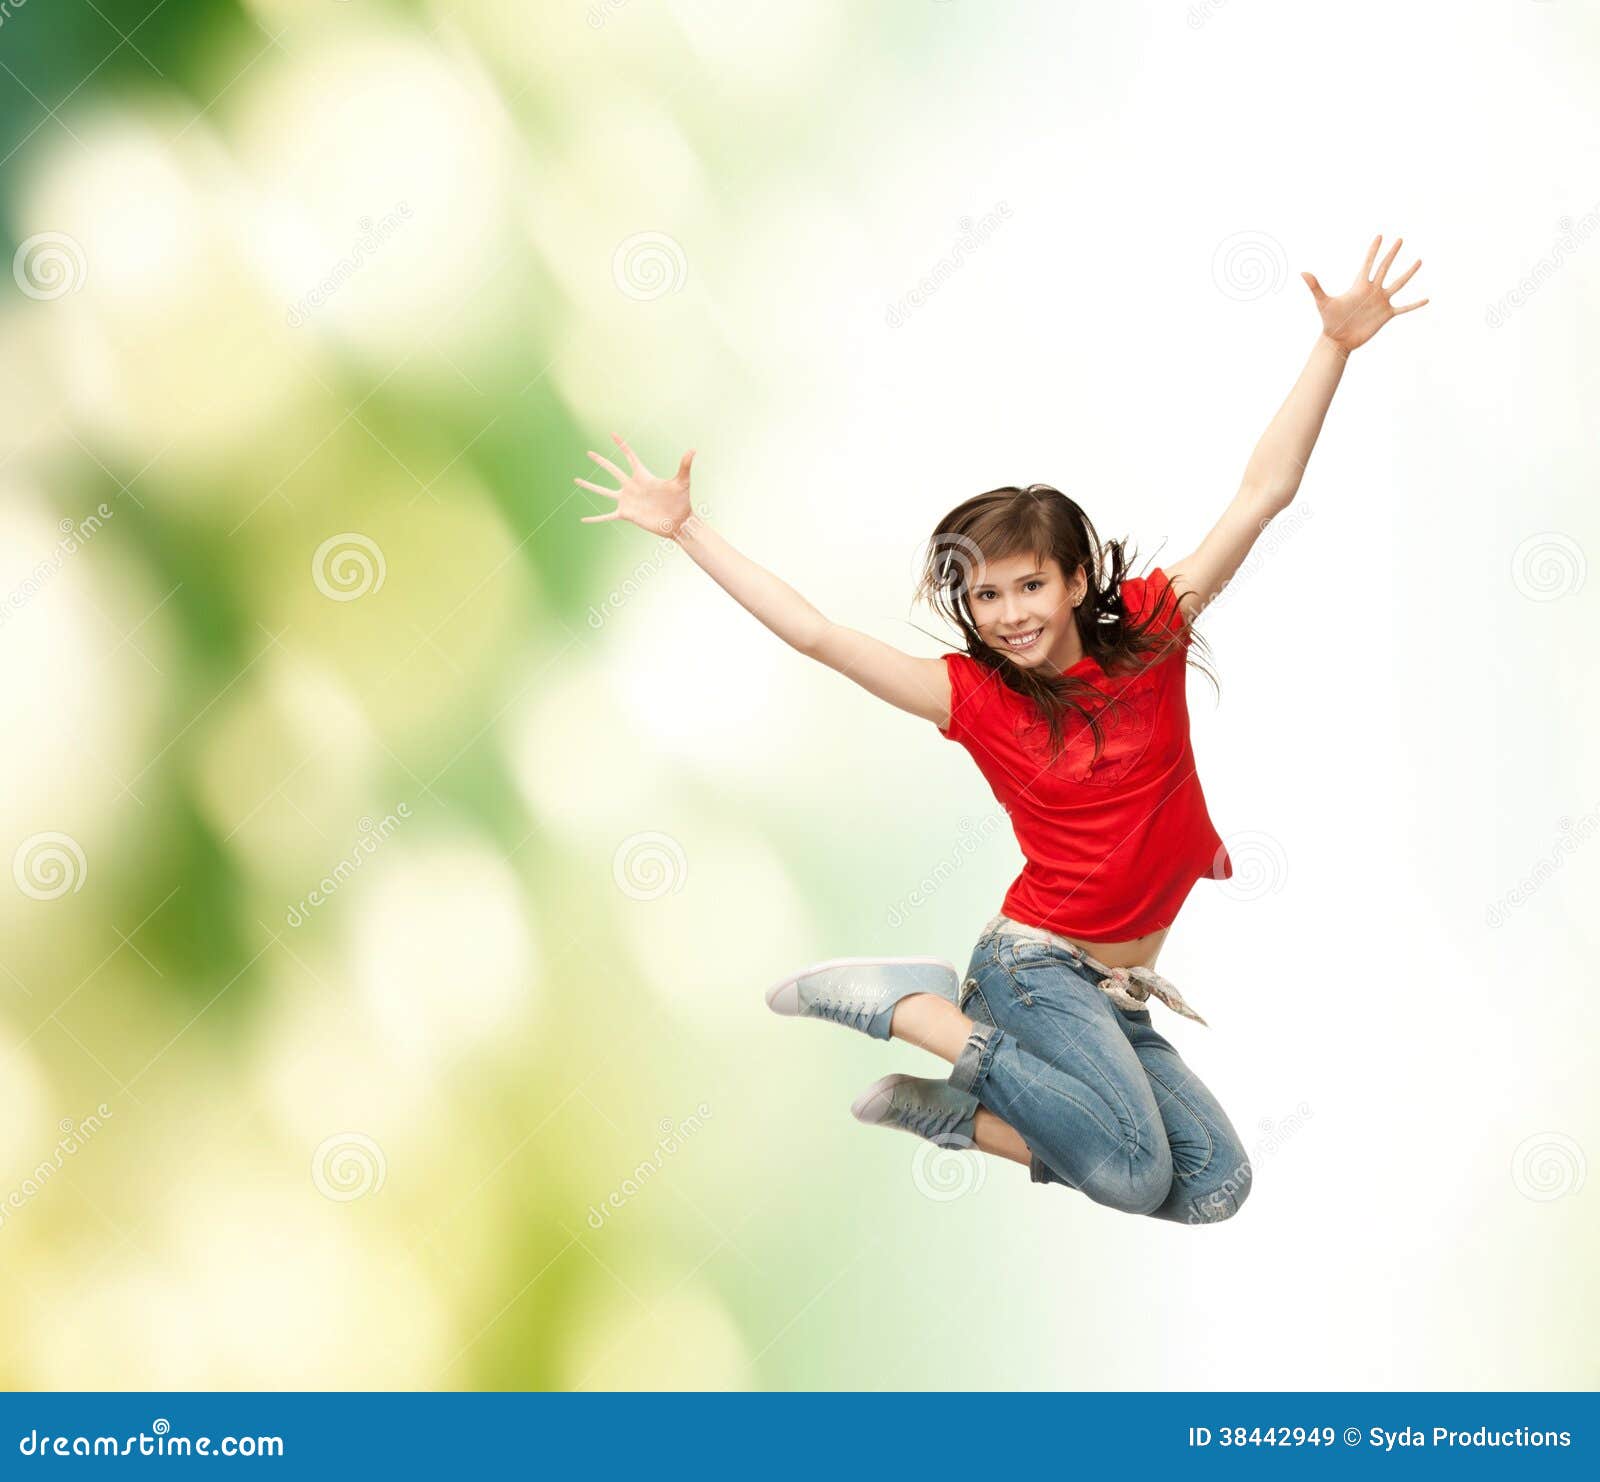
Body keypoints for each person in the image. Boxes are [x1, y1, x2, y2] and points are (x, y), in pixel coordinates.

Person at [576, 234, 1427, 1224]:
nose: (1011, 611)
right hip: (1033, 974)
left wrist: (1334, 347)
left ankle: (947, 1113)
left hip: (1113, 992)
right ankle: (913, 1010)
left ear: (1076, 581)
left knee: (1213, 1189)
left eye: (1030, 584)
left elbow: (1261, 493)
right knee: (1128, 1173)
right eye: (986, 594)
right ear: (967, 608)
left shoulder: (1151, 632)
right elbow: (816, 634)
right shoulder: (969, 698)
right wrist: (686, 529)